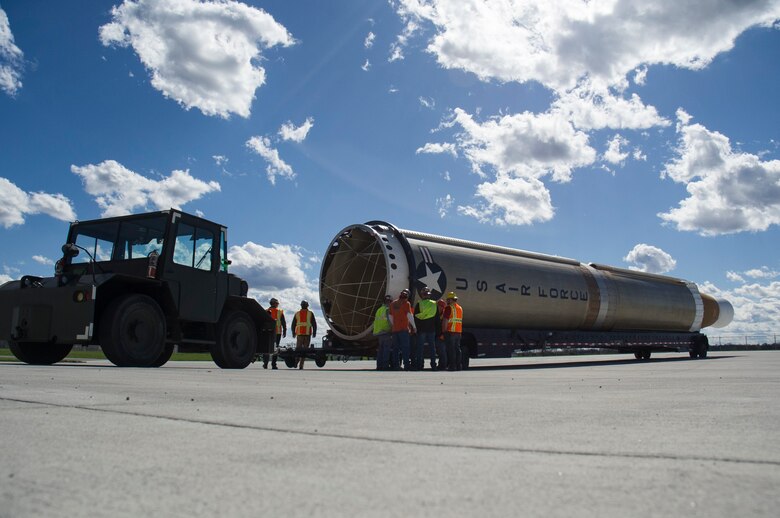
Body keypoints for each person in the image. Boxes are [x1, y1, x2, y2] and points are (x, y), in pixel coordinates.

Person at [389, 289, 416, 370]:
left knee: (395, 349)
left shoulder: (392, 303)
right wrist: (414, 327)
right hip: (403, 329)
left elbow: (390, 317)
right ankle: (406, 365)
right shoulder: (406, 303)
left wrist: (394, 325)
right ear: (406, 297)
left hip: (395, 330)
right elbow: (410, 316)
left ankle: (396, 366)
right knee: (405, 348)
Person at [414, 287, 439, 370]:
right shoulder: (434, 303)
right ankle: (433, 365)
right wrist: (438, 330)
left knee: (420, 348)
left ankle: (419, 365)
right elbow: (437, 319)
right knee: (432, 348)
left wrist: (417, 328)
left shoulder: (419, 304)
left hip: (422, 330)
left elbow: (416, 317)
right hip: (431, 330)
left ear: (422, 295)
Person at [291, 300, 317, 369]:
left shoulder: (297, 313)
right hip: (307, 334)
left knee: (298, 349)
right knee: (304, 350)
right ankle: (300, 365)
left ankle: (297, 362)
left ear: (301, 305)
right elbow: (314, 324)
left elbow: (293, 324)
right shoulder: (310, 313)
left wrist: (293, 332)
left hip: (300, 334)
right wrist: (314, 332)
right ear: (307, 305)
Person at [263, 298, 286, 369]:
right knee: (275, 348)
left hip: (268, 332)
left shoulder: (266, 311)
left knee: (266, 347)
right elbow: (283, 322)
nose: (277, 305)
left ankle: (265, 364)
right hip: (277, 332)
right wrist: (285, 330)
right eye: (277, 303)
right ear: (274, 304)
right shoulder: (279, 312)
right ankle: (273, 364)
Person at [443, 292, 463, 371]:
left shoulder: (448, 308)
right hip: (458, 332)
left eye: (448, 299)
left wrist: (444, 331)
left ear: (451, 300)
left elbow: (445, 320)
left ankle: (452, 366)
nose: (447, 301)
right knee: (457, 349)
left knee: (451, 350)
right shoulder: (460, 308)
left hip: (450, 331)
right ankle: (458, 366)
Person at [373, 295, 393, 370]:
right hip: (386, 332)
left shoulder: (379, 310)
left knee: (380, 350)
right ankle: (385, 366)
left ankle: (379, 366)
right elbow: (390, 321)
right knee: (386, 350)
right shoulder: (388, 309)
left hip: (379, 333)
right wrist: (392, 329)